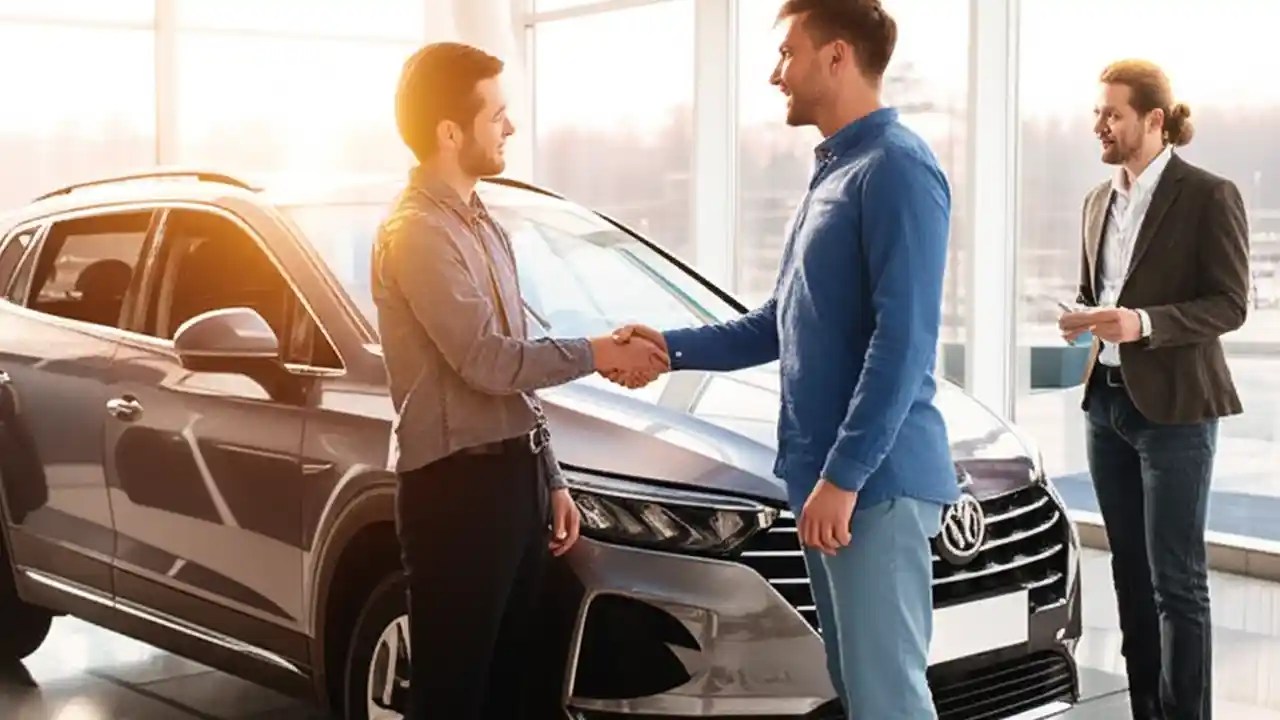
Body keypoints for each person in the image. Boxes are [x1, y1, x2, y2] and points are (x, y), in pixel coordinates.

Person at [612, 1, 960, 716]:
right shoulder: (836, 172)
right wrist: (667, 349)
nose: (777, 75)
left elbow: (904, 342)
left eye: (788, 54)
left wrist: (844, 474)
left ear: (836, 56)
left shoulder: (897, 167)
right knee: (865, 694)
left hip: (874, 487)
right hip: (828, 482)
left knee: (889, 699)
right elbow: (782, 322)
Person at [373, 42, 668, 719]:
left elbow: (518, 369)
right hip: (454, 492)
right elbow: (488, 360)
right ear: (450, 132)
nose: (510, 128)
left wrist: (552, 478)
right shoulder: (416, 233)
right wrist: (598, 351)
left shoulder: (489, 228)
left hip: (513, 481)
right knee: (454, 696)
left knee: (518, 691)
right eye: (497, 115)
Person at [1058, 60, 1249, 720]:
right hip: (1104, 404)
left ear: (1154, 120)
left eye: (1112, 113)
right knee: (1130, 579)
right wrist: (1083, 317)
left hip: (1176, 412)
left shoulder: (1208, 195)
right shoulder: (1095, 202)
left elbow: (1229, 305)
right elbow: (1099, 293)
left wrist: (1140, 324)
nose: (1099, 125)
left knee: (1178, 582)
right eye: (1097, 113)